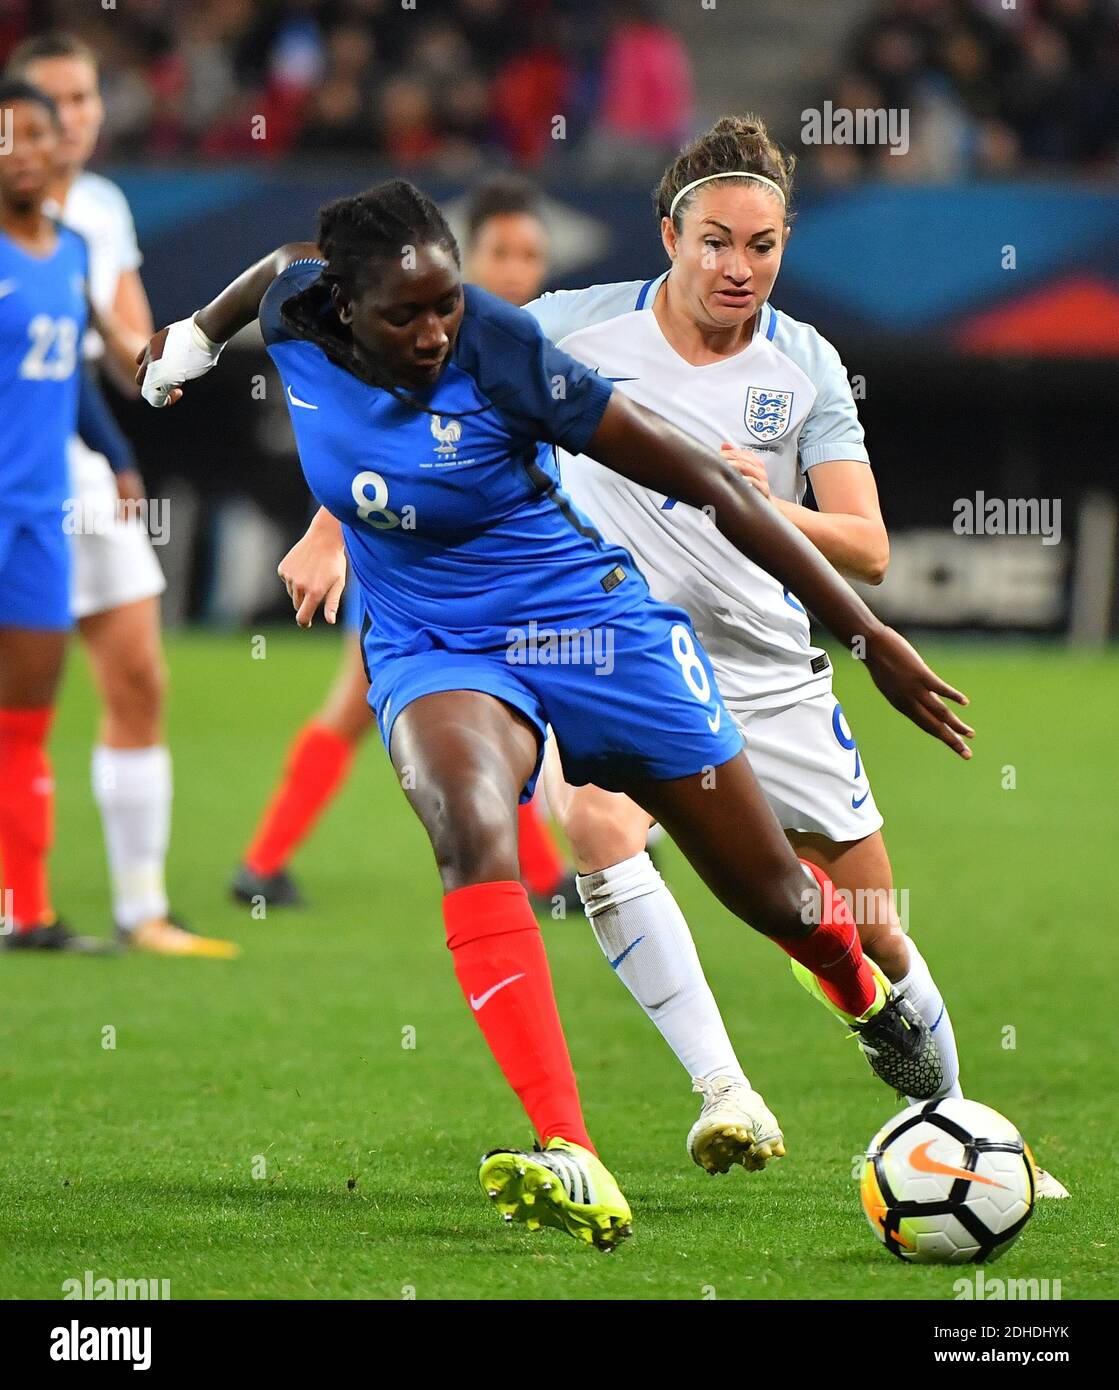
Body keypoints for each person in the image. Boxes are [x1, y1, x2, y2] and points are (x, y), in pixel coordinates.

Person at [138, 179, 972, 1251]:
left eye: (449, 301)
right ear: (342, 306)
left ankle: (860, 987)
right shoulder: (300, 303)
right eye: (411, 313)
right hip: (432, 643)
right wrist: (197, 338)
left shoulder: (508, 354)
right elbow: (269, 273)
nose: (441, 329)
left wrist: (874, 639)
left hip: (589, 625)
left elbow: (715, 490)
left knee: (774, 896)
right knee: (468, 821)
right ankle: (571, 1149)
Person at [524, 113, 1066, 1199]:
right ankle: (724, 1090)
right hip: (616, 655)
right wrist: (327, 523)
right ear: (668, 232)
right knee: (594, 825)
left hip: (770, 672)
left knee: (874, 935)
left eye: (762, 246)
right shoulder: (566, 331)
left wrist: (765, 501)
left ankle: (959, 1133)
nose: (739, 268)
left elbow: (865, 547)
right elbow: (421, 400)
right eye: (716, 240)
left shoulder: (804, 360)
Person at [231, 175, 575, 915]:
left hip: (478, 576)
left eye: (530, 253)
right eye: (500, 251)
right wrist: (328, 532)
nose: (517, 268)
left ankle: (261, 863)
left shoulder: (530, 342)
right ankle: (554, 873)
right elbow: (363, 453)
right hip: (403, 569)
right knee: (452, 704)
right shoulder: (417, 346)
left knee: (447, 709)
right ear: (461, 257)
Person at [7, 31, 237, 958]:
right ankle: (22, 899)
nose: (68, 121)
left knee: (137, 670)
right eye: (46, 106)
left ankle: (140, 907)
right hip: (33, 454)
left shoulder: (93, 214)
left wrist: (176, 363)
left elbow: (117, 346)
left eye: (83, 100)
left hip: (70, 465)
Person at [0, 80, 107, 952]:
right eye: (11, 135)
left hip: (41, 516)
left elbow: (74, 377)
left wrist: (120, 450)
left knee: (27, 718)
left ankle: (24, 910)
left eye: (40, 134)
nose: (28, 149)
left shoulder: (71, 251)